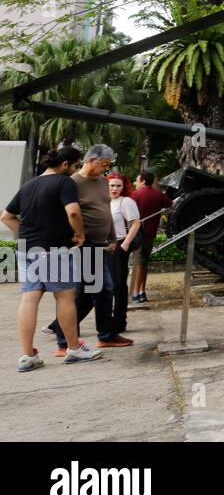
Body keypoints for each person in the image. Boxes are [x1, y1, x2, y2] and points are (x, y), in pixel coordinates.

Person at [2, 146, 102, 369]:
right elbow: (74, 212)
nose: (76, 170)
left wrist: (29, 234)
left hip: (26, 249)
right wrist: (80, 234)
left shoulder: (29, 185)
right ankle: (74, 348)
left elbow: (6, 216)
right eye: (76, 165)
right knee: (65, 297)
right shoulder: (64, 182)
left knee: (29, 299)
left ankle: (28, 356)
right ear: (65, 164)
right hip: (53, 250)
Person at [48, 144, 132, 350]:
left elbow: (105, 210)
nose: (106, 169)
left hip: (99, 245)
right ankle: (72, 339)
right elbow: (68, 214)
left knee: (94, 292)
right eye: (103, 164)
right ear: (90, 160)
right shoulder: (72, 183)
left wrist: (112, 238)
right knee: (93, 290)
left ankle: (101, 335)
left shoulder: (103, 182)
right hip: (83, 246)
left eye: (108, 165)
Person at [130, 170, 171, 302]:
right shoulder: (158, 195)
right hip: (150, 234)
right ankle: (142, 291)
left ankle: (136, 293)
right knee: (144, 263)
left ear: (143, 181)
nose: (135, 183)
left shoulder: (135, 195)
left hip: (137, 234)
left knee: (138, 263)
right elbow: (171, 204)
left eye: (137, 180)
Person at [106, 173, 140, 336]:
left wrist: (125, 244)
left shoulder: (126, 202)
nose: (114, 188)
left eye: (118, 185)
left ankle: (119, 322)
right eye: (112, 185)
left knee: (118, 285)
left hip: (118, 245)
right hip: (101, 246)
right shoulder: (103, 201)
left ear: (123, 186)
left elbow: (135, 223)